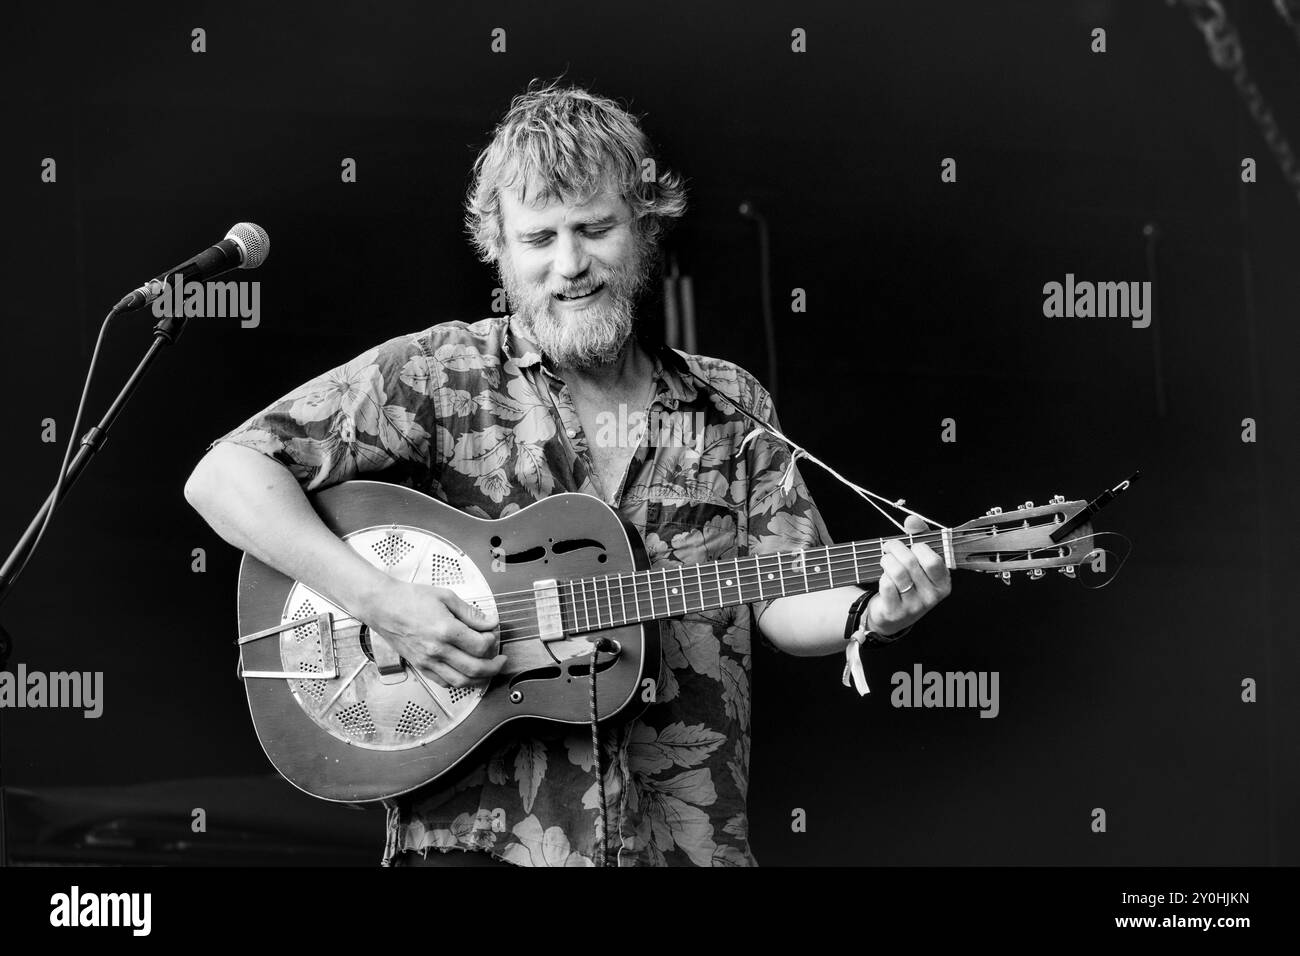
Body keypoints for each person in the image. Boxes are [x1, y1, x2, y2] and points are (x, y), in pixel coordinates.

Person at [184, 80, 951, 867]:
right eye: (539, 238)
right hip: (478, 849)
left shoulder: (730, 405)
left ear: (644, 229)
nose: (571, 264)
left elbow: (787, 599)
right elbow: (226, 476)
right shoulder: (438, 373)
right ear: (500, 248)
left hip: (685, 849)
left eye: (595, 228)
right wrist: (385, 603)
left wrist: (873, 610)